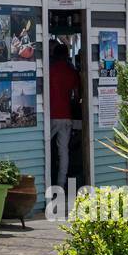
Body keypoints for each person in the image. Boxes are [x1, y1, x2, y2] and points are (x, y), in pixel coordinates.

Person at [47, 41, 80, 189]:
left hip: (51, 114)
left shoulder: (50, 71)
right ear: (67, 55)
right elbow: (77, 96)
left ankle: (46, 180)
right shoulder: (72, 72)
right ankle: (61, 183)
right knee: (63, 151)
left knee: (45, 147)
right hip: (66, 115)